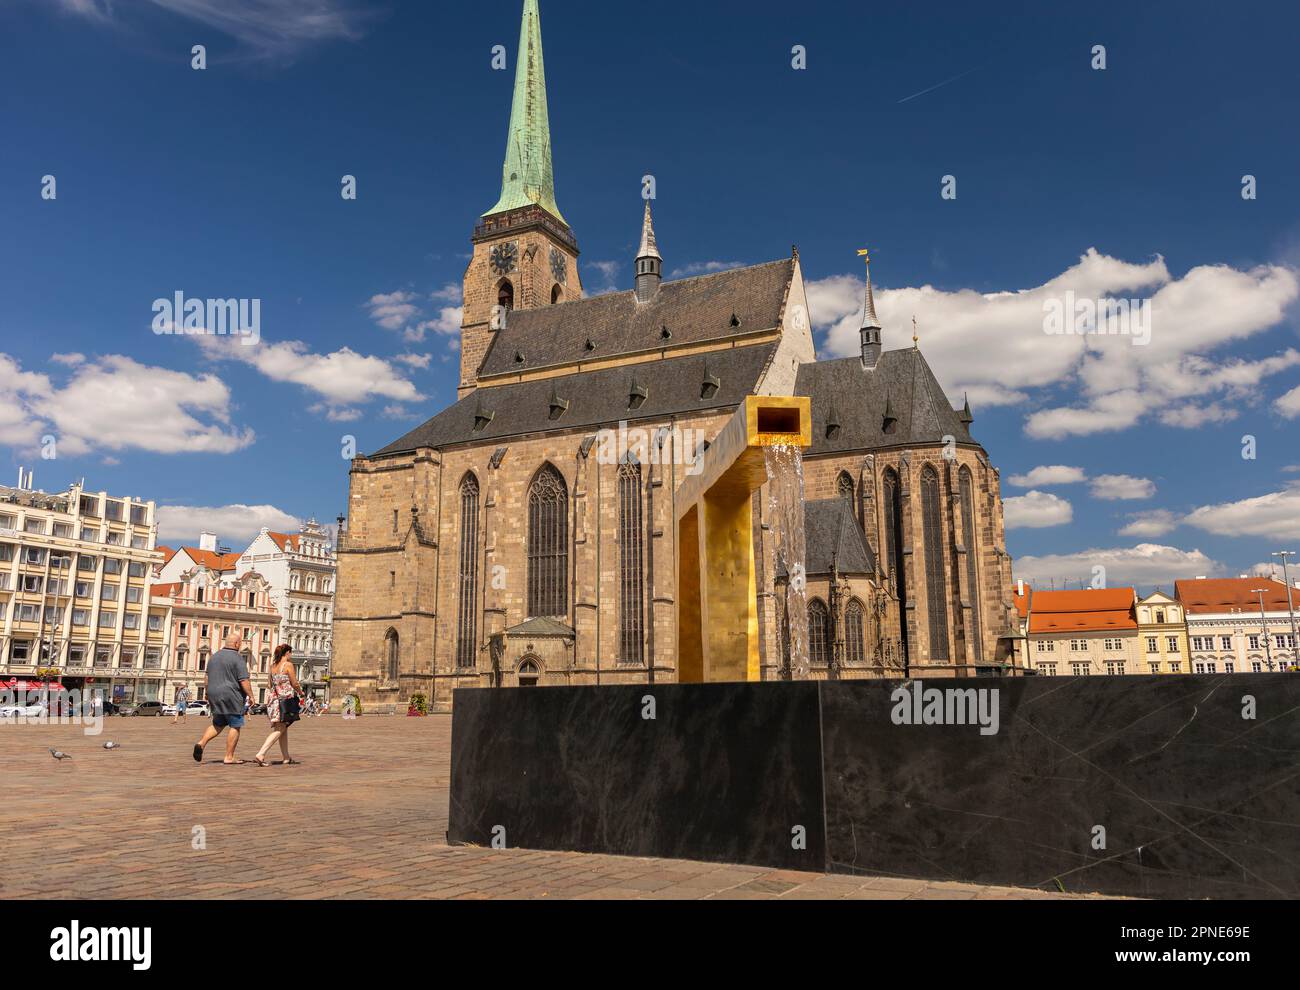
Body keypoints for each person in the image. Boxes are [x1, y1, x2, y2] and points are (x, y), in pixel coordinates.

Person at [192, 634, 256, 765]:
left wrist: (207, 692)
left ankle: (201, 743)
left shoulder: (214, 657)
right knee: (235, 724)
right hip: (231, 695)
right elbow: (243, 680)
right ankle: (229, 756)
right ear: (237, 644)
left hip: (214, 693)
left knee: (218, 724)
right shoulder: (238, 659)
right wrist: (251, 695)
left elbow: (207, 678)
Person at [253, 644, 304, 767]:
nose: (291, 655)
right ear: (287, 653)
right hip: (285, 700)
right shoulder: (288, 665)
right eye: (290, 653)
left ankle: (286, 757)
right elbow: (294, 682)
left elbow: (269, 684)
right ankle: (261, 753)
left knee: (283, 728)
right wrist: (300, 692)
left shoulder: (273, 666)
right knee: (280, 729)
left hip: (274, 700)